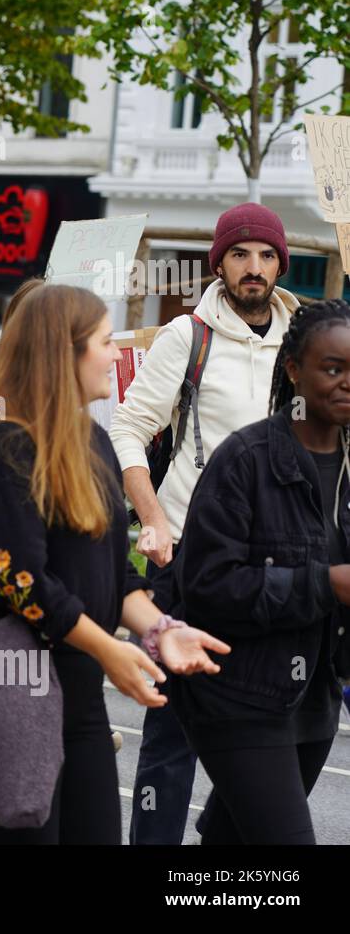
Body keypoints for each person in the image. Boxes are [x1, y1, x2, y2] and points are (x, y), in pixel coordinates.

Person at [0, 283, 228, 844]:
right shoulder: (5, 447)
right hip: (11, 700)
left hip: (79, 706)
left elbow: (114, 573)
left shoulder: (95, 441)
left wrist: (161, 630)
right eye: (104, 342)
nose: (116, 354)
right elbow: (17, 582)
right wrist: (110, 649)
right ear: (64, 351)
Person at [109, 202, 299, 844]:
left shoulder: (305, 339)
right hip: (188, 554)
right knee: (173, 730)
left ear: (280, 265)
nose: (254, 268)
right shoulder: (186, 337)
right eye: (241, 254)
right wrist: (153, 518)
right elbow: (129, 428)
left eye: (267, 255)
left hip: (282, 561)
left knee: (276, 723)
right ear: (219, 262)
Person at [169, 300, 350, 844]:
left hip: (315, 695)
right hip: (239, 694)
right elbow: (205, 587)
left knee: (234, 847)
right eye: (333, 368)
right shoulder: (245, 460)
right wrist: (325, 584)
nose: (347, 384)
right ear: (293, 368)